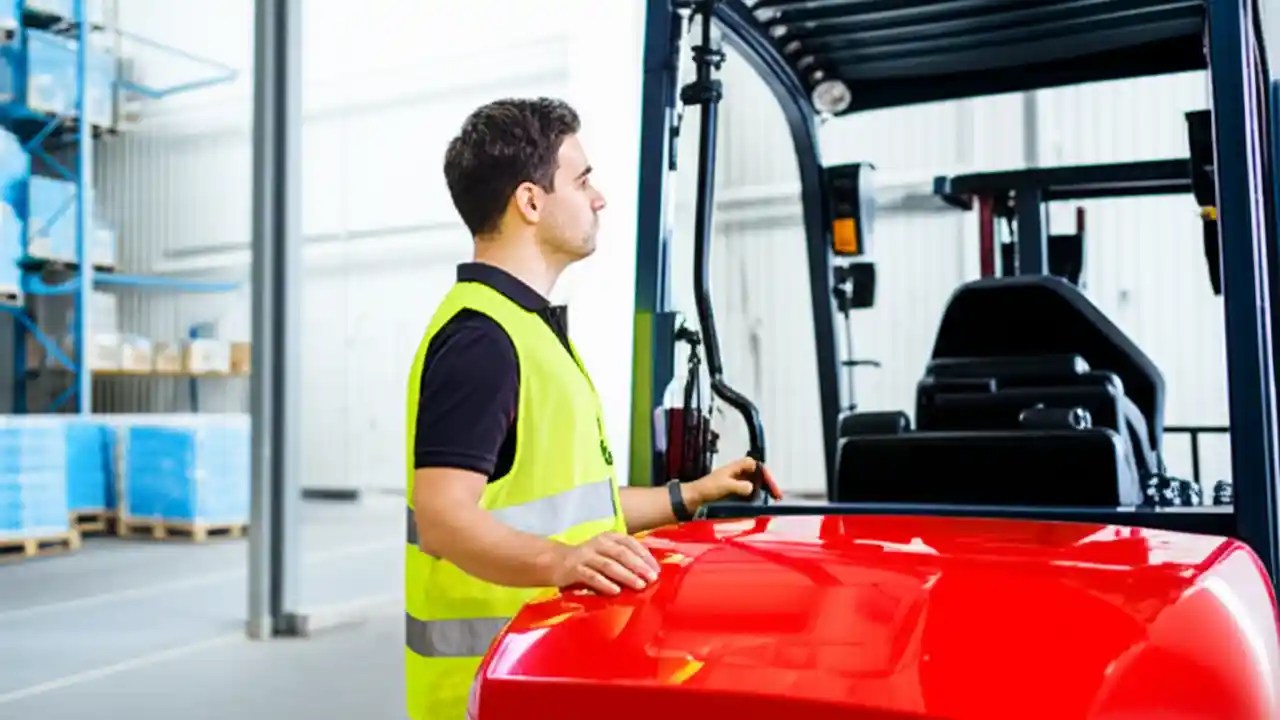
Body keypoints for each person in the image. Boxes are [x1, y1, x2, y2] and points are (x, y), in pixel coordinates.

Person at [403, 97, 781, 719]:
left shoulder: (525, 330)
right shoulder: (482, 341)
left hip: (537, 675)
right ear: (530, 202)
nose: (598, 198)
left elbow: (577, 512)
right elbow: (444, 520)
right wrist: (564, 562)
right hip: (489, 690)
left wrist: (689, 494)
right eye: (582, 180)